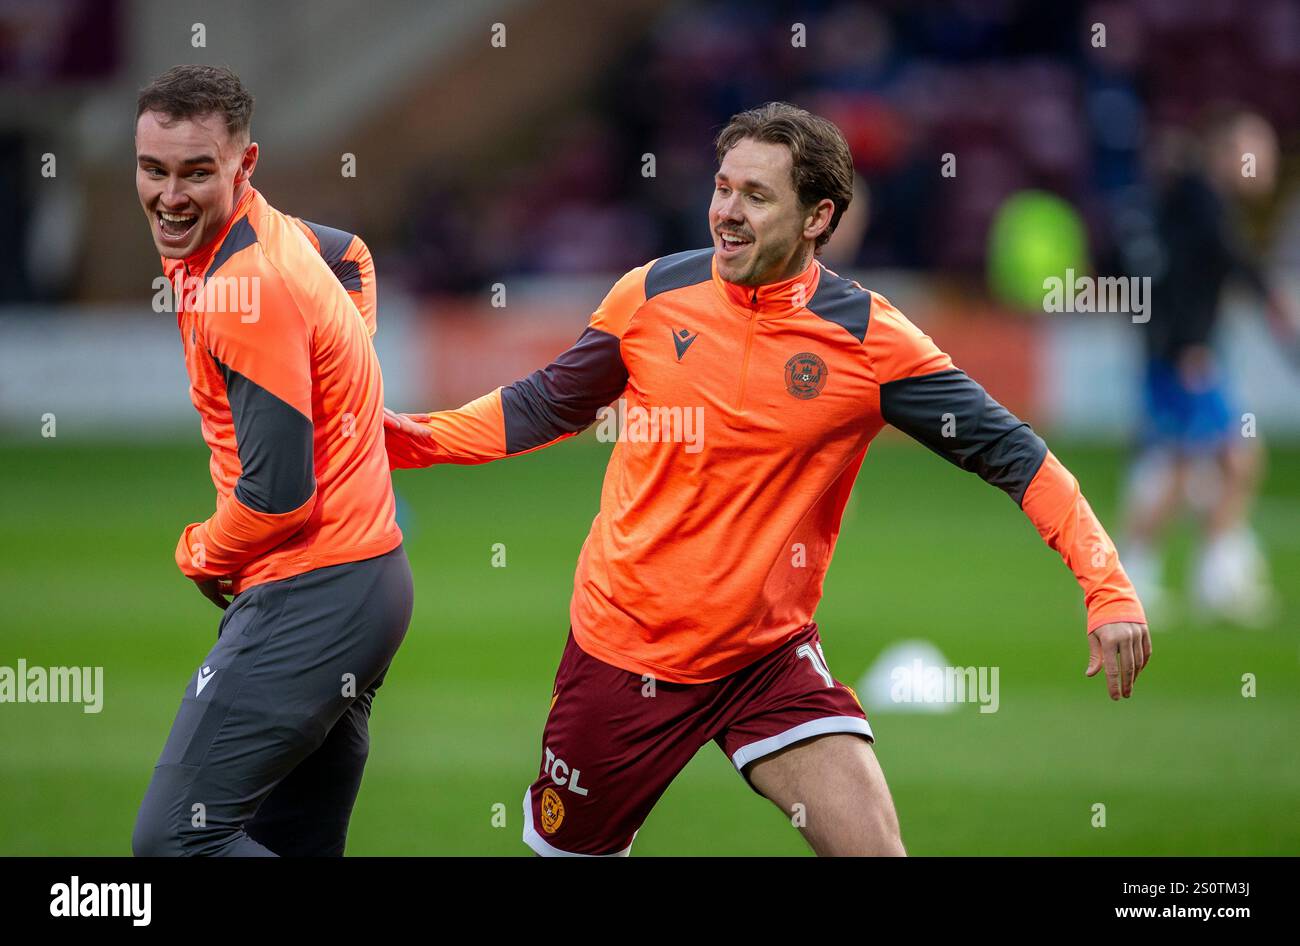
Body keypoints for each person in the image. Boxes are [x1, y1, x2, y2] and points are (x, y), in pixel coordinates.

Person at [385, 102, 1150, 857]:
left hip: (766, 660)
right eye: (722, 188)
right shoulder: (650, 295)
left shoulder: (871, 341)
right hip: (622, 654)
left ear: (819, 217)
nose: (728, 212)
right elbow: (541, 405)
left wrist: (1107, 586)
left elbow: (1016, 456)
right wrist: (404, 442)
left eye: (756, 196)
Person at [131, 64, 411, 856]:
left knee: (175, 845)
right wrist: (344, 378)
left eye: (196, 172)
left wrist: (197, 550)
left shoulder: (242, 288)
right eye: (153, 170)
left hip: (310, 593)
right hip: (362, 586)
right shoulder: (260, 229)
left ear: (243, 166)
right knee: (287, 845)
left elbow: (277, 496)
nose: (170, 196)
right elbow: (352, 254)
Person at [1121, 109, 1296, 625]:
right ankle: (1188, 574)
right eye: (1255, 152)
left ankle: (1188, 571)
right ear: (1227, 156)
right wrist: (1187, 347)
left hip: (1182, 353)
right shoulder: (1200, 206)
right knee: (1209, 463)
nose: (1264, 164)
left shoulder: (1197, 202)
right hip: (1186, 356)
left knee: (1203, 464)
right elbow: (1193, 274)